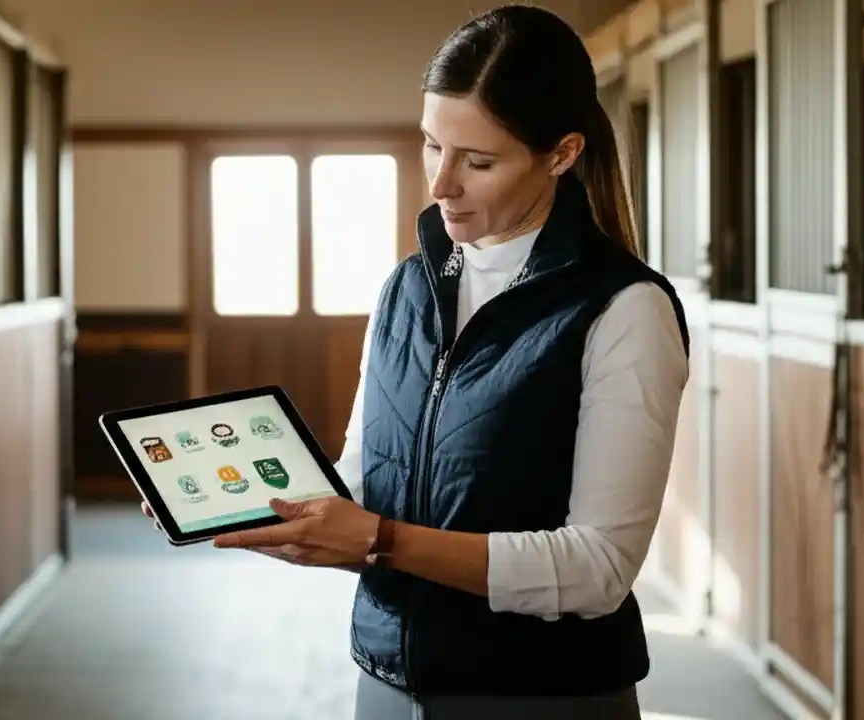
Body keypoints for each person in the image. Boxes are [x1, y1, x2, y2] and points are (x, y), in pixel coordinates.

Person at [148, 5, 689, 717]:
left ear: (561, 153)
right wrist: (278, 514)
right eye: (432, 145)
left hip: (539, 696)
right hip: (386, 682)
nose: (440, 184)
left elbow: (597, 571)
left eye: (479, 161)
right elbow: (364, 484)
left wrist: (380, 541)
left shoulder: (623, 310)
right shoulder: (404, 289)